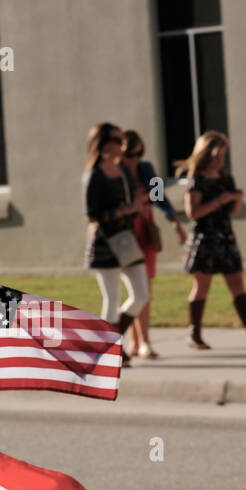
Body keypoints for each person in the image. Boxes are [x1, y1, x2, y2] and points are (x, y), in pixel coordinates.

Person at [179, 131, 246, 350]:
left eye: (223, 155)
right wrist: (219, 200)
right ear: (206, 154)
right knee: (202, 286)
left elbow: (232, 211)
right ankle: (194, 334)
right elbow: (192, 212)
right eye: (217, 155)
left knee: (237, 283)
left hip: (224, 236)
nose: (221, 160)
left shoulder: (224, 177)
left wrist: (236, 200)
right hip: (205, 238)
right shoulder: (197, 179)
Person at [82, 122, 150, 365]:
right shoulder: (94, 175)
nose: (123, 146)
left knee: (141, 294)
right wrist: (126, 210)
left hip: (126, 239)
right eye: (117, 140)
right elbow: (92, 214)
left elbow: (154, 189)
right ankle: (110, 350)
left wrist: (145, 202)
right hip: (104, 243)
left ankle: (106, 345)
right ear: (104, 142)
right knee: (111, 300)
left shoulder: (127, 170)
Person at [120, 130, 187, 358]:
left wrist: (175, 222)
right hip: (124, 233)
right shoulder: (115, 173)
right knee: (135, 289)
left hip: (145, 230)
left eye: (139, 153)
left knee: (145, 287)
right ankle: (137, 340)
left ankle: (141, 341)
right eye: (130, 154)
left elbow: (159, 196)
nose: (135, 159)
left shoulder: (145, 169)